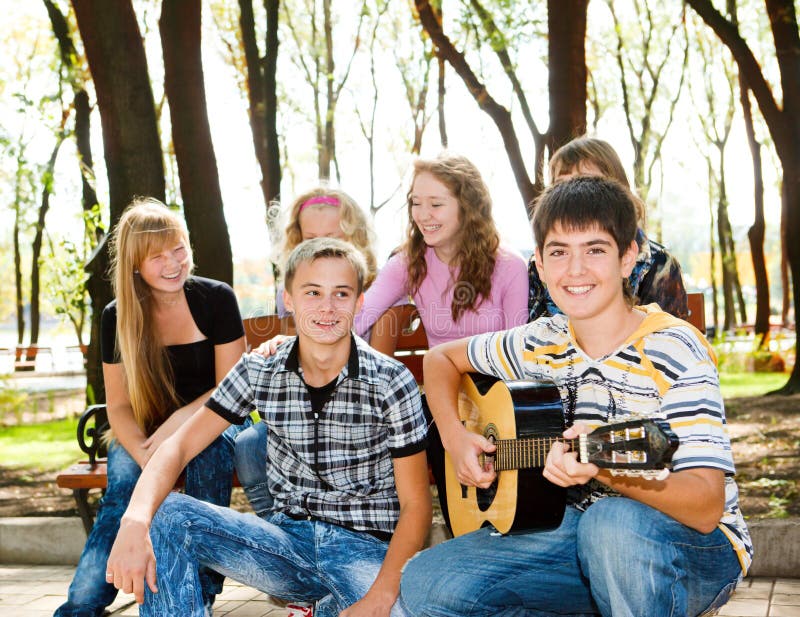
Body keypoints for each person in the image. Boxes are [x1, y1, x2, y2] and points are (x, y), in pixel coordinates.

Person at [400, 176, 751, 617]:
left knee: (611, 523)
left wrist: (604, 467)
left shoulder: (674, 349)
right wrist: (456, 439)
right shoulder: (539, 340)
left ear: (628, 258)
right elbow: (440, 360)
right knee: (426, 583)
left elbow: (706, 507)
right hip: (575, 533)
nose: (576, 270)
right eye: (559, 252)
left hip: (695, 548)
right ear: (540, 265)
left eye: (595, 250)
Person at [105, 238, 431, 617]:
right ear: (288, 299)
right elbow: (178, 447)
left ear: (359, 303)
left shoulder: (391, 381)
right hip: (286, 545)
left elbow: (416, 505)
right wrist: (134, 520)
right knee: (168, 515)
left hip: (363, 548)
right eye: (312, 292)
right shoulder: (260, 369)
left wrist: (380, 597)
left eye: (341, 294)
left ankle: (324, 607)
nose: (327, 307)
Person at [55, 198, 247, 617]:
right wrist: (146, 456)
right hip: (146, 432)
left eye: (179, 249)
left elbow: (232, 389)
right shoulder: (117, 317)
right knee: (124, 486)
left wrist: (179, 420)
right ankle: (80, 606)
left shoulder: (216, 299)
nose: (173, 263)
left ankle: (198, 591)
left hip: (216, 421)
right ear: (135, 265)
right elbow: (119, 407)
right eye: (157, 256)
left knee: (209, 454)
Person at [354, 153, 529, 347]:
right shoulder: (408, 263)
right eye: (416, 203)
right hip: (437, 367)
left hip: (495, 367)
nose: (422, 216)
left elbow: (517, 349)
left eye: (436, 204)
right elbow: (358, 318)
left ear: (468, 207)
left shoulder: (510, 266)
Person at [528, 135, 689, 322]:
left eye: (587, 182)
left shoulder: (659, 263)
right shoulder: (542, 263)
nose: (574, 194)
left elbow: (665, 332)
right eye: (561, 185)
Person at [274, 187, 377, 316]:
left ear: (354, 239)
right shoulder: (288, 291)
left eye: (332, 240)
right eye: (311, 240)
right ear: (298, 241)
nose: (320, 248)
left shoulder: (377, 285)